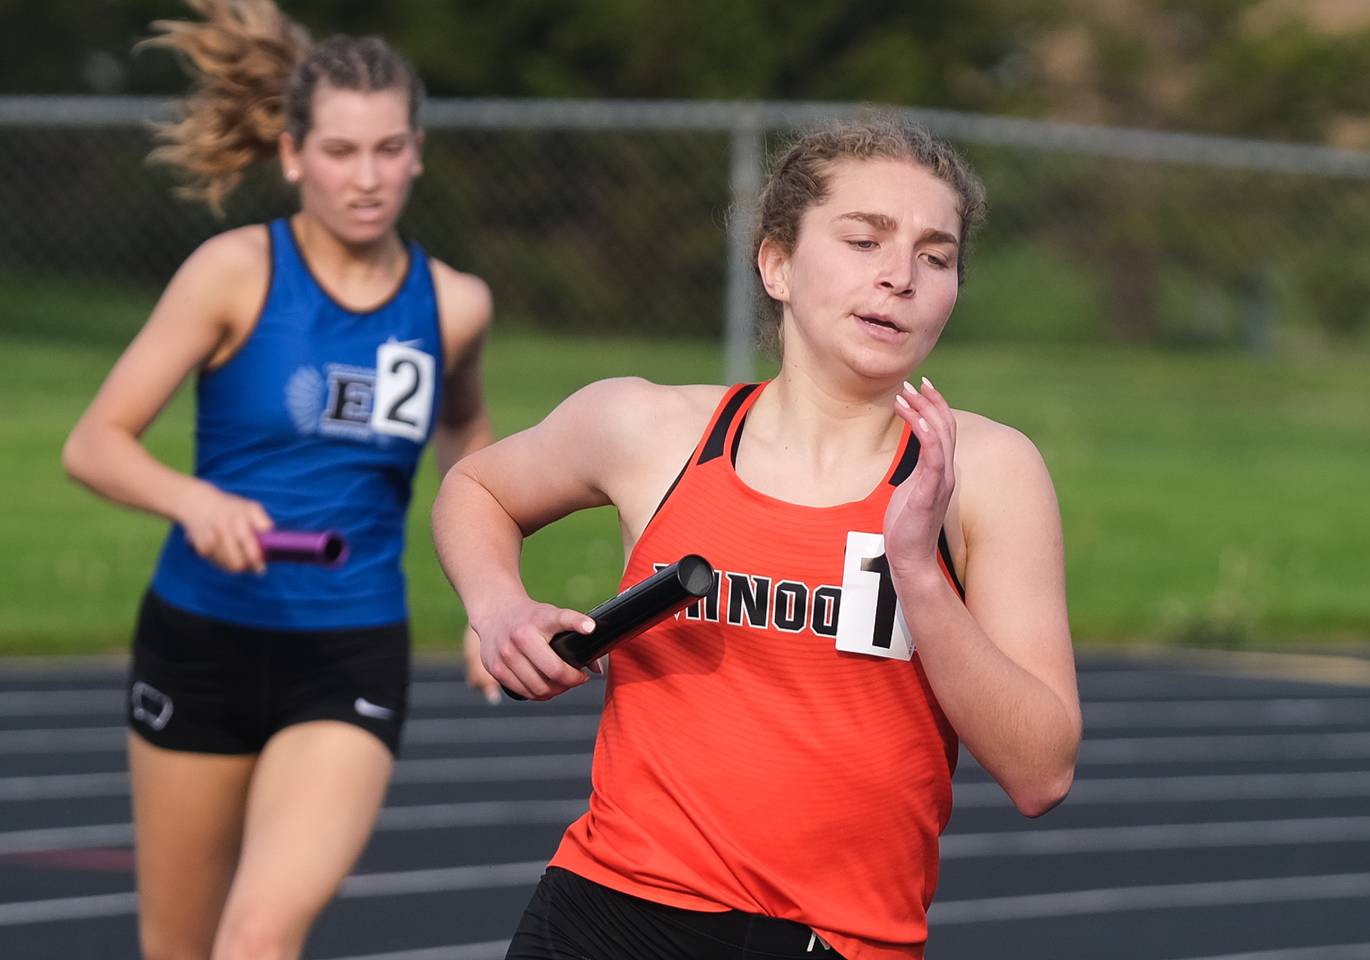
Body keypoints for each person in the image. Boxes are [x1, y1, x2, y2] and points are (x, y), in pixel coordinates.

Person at [432, 116, 1082, 960]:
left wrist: (919, 571)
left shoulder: (988, 472)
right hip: (609, 908)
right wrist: (499, 608)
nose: (899, 277)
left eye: (936, 254)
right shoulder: (649, 427)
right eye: (863, 240)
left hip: (834, 939)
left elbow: (1041, 773)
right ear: (776, 263)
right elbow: (474, 486)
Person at [61, 2, 498, 957]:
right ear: (294, 154)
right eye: (342, 152)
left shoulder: (454, 305)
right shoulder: (232, 272)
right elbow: (95, 442)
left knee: (258, 936)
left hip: (347, 654)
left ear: (417, 152)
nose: (368, 177)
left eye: (389, 149)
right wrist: (193, 499)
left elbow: (466, 439)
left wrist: (486, 595)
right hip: (200, 643)